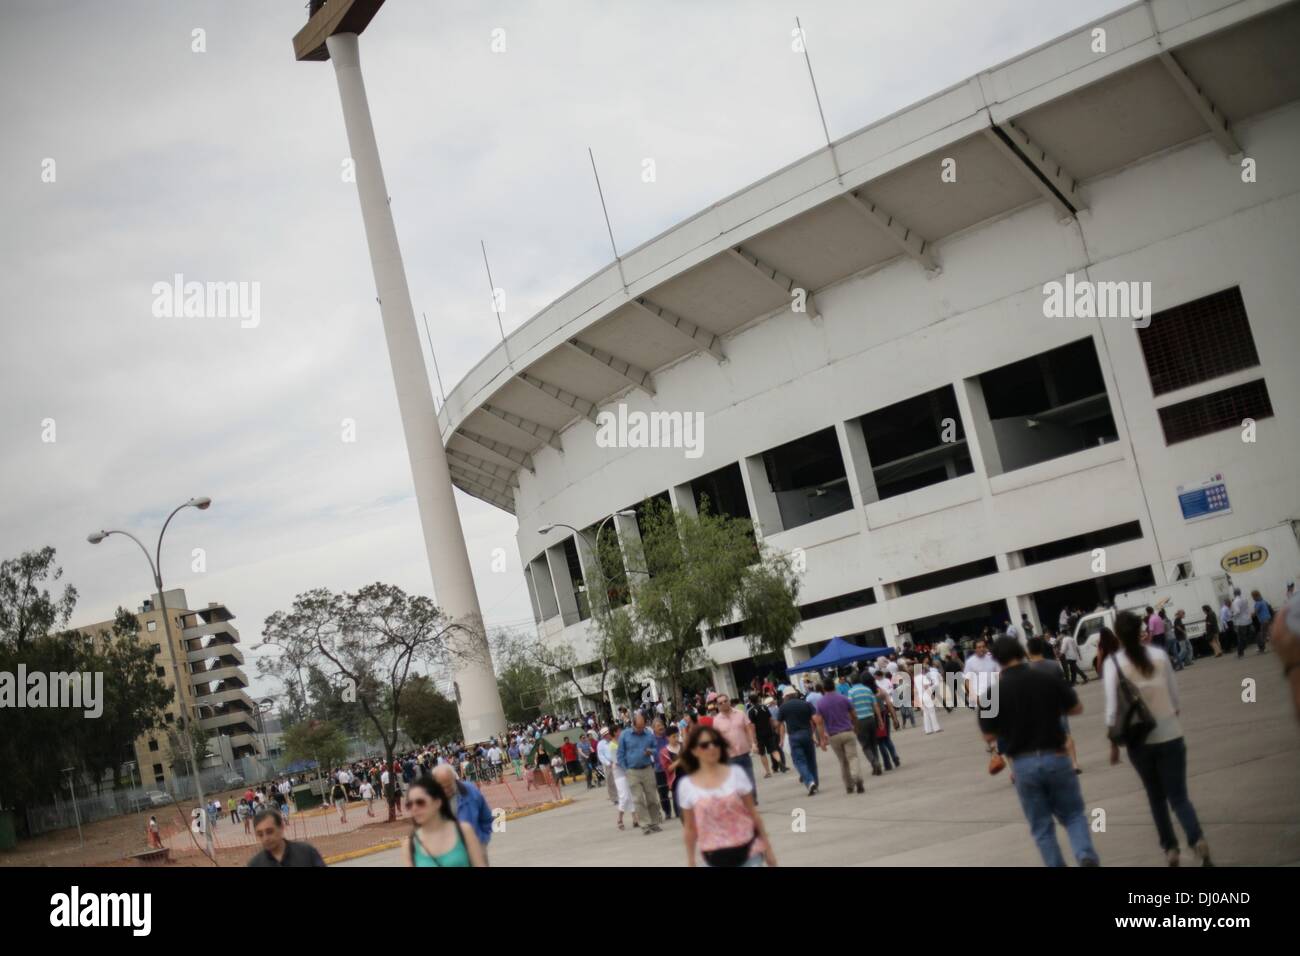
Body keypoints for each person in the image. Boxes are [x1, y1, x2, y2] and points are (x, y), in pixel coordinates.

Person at [977, 637, 1099, 867]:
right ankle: (1085, 855)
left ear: (996, 660)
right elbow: (1076, 707)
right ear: (1022, 652)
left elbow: (988, 736)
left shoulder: (992, 695)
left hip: (1023, 764)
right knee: (1073, 814)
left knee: (1042, 828)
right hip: (1057, 755)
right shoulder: (1046, 678)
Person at [1104, 610, 1211, 866]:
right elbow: (1175, 699)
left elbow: (1112, 710)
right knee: (1179, 796)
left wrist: (1113, 745)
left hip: (1139, 742)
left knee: (1155, 797)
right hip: (1171, 734)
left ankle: (1170, 848)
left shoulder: (1113, 664)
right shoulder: (1160, 655)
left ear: (1118, 635)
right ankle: (1197, 839)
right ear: (1141, 630)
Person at [676, 724, 777, 867]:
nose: (712, 747)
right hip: (714, 857)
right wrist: (691, 861)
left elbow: (753, 815)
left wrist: (769, 851)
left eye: (715, 743)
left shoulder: (736, 774)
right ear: (694, 751)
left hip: (748, 852)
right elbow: (690, 828)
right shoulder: (686, 786)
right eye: (705, 745)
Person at [403, 776, 487, 868]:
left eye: (420, 802)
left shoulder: (464, 831)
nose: (414, 808)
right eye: (409, 804)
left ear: (437, 802)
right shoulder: (410, 844)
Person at [1027, 636, 1082, 774]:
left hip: (1039, 710)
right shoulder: (1053, 665)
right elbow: (1061, 685)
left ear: (1029, 651)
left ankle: (1050, 766)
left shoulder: (1027, 670)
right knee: (1067, 735)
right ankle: (1074, 764)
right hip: (1058, 706)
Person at [814, 678, 864, 794]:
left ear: (824, 689)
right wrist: (856, 728)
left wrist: (822, 739)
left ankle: (849, 786)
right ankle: (857, 777)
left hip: (833, 735)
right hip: (847, 731)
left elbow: (819, 722)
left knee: (843, 761)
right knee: (853, 757)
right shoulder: (843, 698)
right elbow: (854, 715)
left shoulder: (820, 703)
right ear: (834, 687)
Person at [617, 711, 664, 834]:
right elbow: (620, 754)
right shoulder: (624, 735)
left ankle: (654, 822)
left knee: (652, 798)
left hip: (647, 768)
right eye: (638, 727)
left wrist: (651, 751)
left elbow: (656, 749)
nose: (641, 729)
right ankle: (645, 824)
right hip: (632, 771)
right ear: (633, 725)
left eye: (642, 727)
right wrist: (626, 769)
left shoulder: (648, 735)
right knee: (638, 799)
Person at [776, 687, 826, 796]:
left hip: (794, 736)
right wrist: (818, 735)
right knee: (811, 760)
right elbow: (816, 720)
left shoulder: (783, 707)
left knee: (800, 761)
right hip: (807, 734)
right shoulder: (806, 704)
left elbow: (778, 724)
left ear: (786, 696)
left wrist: (780, 737)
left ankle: (809, 782)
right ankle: (815, 783)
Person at [711, 693, 758, 801]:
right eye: (720, 703)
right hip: (729, 756)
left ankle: (752, 798)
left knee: (749, 778)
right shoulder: (716, 720)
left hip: (744, 752)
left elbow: (749, 729)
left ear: (729, 701)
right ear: (717, 706)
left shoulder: (740, 714)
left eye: (725, 701)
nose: (723, 704)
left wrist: (753, 743)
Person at [247, 808, 327, 867]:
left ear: (281, 827)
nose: (265, 838)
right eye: (260, 834)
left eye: (270, 832)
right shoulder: (255, 864)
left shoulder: (306, 852)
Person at [847, 672, 885, 775]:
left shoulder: (851, 692)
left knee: (865, 745)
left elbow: (851, 709)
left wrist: (852, 723)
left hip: (860, 721)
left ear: (851, 681)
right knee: (873, 744)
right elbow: (875, 705)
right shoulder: (867, 690)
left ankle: (874, 762)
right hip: (871, 719)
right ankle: (876, 766)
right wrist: (880, 720)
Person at [746, 693, 783, 777]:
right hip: (769, 732)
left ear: (750, 701)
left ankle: (768, 772)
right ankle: (780, 761)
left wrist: (754, 738)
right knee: (773, 750)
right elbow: (770, 719)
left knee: (762, 753)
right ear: (758, 699)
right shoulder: (764, 707)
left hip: (759, 735)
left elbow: (752, 726)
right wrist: (775, 727)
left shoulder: (751, 711)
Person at [1230, 588, 1255, 658]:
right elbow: (1247, 609)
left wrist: (1232, 615)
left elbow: (1237, 611)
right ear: (1240, 593)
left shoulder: (1235, 601)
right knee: (1245, 637)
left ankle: (1240, 653)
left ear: (1234, 594)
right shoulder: (1244, 599)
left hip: (1240, 622)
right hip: (1248, 620)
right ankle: (1242, 649)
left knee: (1240, 638)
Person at [597, 726, 618, 805]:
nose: (608, 735)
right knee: (610, 782)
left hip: (617, 762)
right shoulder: (601, 744)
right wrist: (608, 763)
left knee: (619, 780)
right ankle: (614, 798)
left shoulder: (614, 741)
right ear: (603, 736)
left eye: (608, 733)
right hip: (608, 765)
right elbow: (601, 756)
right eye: (605, 734)